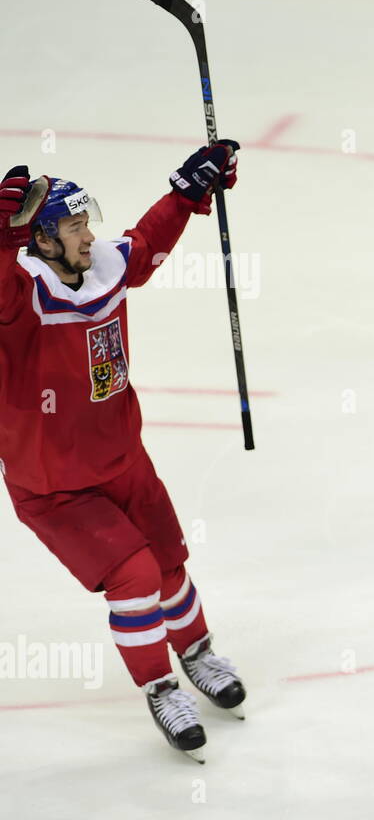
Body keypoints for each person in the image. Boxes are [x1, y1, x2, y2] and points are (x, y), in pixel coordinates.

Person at [0, 146, 247, 761]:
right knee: (132, 574)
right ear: (43, 242)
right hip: (54, 485)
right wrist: (0, 241)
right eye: (75, 226)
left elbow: (145, 244)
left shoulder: (103, 266)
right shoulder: (20, 296)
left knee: (167, 562)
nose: (90, 235)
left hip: (122, 457)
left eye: (88, 222)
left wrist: (189, 192)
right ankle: (159, 686)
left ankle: (195, 651)